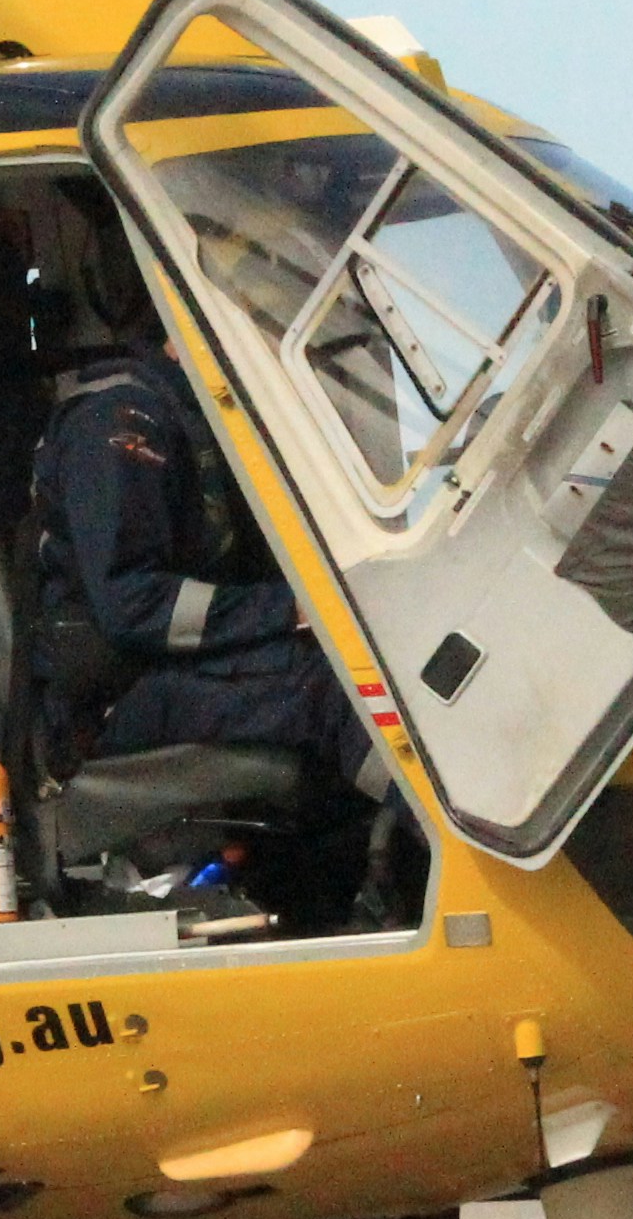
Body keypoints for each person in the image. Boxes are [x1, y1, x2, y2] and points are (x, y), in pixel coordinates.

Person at [27, 220, 387, 816]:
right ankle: (456, 844)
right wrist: (292, 610)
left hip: (173, 666)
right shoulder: (121, 424)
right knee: (344, 691)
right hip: (121, 693)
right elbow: (133, 606)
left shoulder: (200, 415)